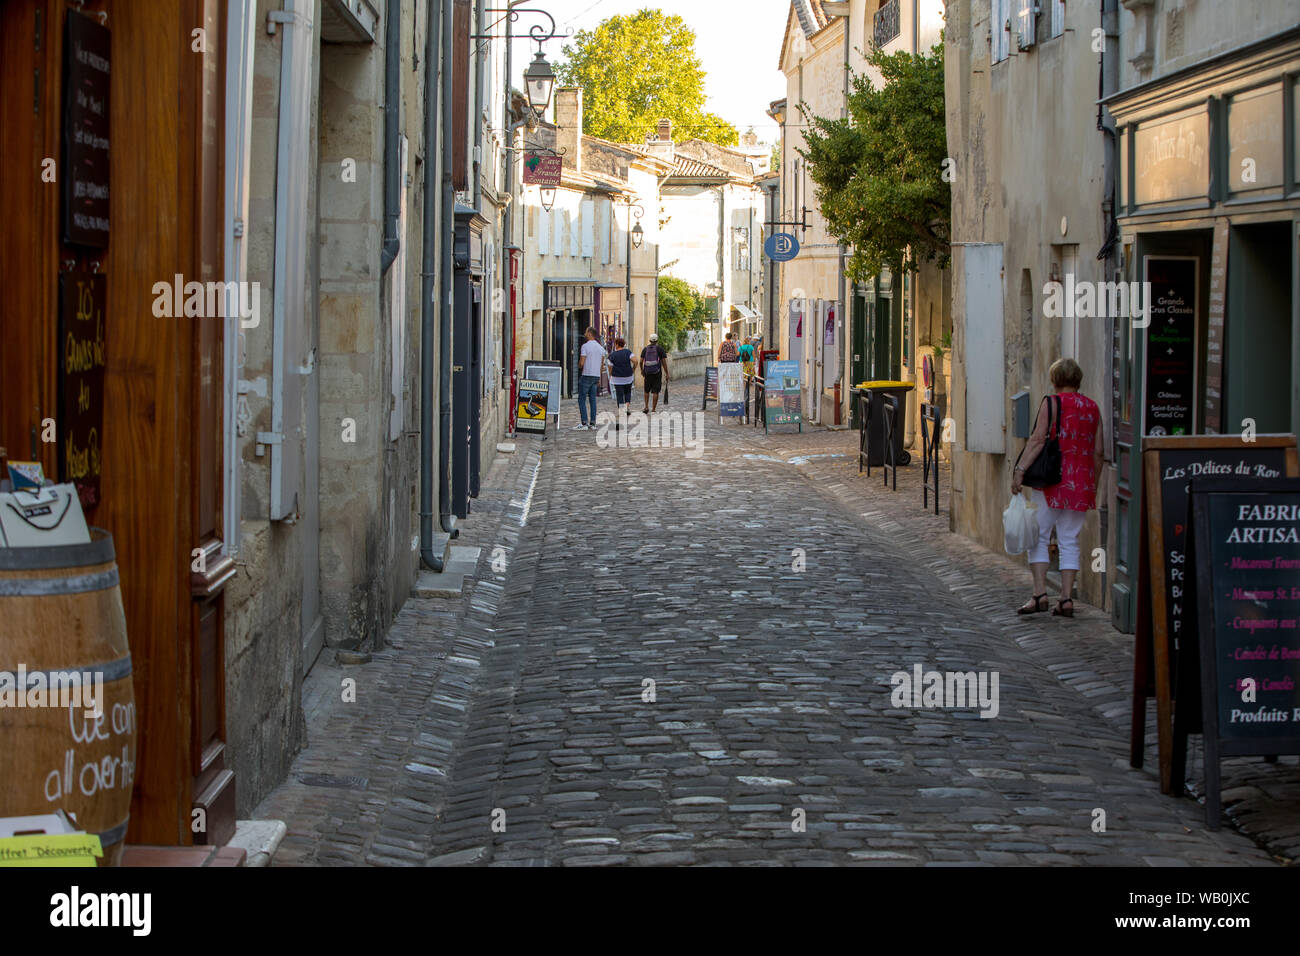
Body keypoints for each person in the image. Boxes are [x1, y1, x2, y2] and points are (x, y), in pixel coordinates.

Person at [1012, 358, 1103, 618]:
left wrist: (1020, 471)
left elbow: (1039, 439)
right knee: (1069, 539)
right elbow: (1099, 452)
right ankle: (1066, 598)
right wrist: (1092, 484)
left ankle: (1040, 594)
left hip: (1052, 481)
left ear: (1054, 380)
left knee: (1039, 535)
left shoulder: (1052, 403)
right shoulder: (1092, 408)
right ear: (1078, 380)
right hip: (1081, 483)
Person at [575, 326, 606, 431]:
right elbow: (602, 365)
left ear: (589, 333)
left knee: (582, 399)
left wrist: (579, 365)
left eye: (585, 332)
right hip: (596, 376)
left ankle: (584, 422)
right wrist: (599, 378)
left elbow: (582, 362)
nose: (584, 334)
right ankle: (593, 423)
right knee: (592, 399)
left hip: (587, 374)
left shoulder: (585, 346)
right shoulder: (601, 348)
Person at [607, 336, 636, 428]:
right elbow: (636, 361)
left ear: (616, 344)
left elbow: (610, 367)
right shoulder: (628, 352)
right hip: (628, 376)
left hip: (617, 378)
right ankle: (626, 407)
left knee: (620, 396)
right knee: (628, 392)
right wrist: (633, 369)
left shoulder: (612, 355)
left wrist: (611, 374)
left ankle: (622, 411)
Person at [640, 333, 670, 414]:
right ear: (657, 340)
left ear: (649, 340)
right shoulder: (660, 349)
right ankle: (653, 409)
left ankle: (646, 406)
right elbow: (664, 362)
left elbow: (641, 361)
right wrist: (667, 373)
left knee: (646, 390)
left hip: (647, 372)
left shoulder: (645, 349)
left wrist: (642, 370)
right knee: (655, 391)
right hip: (657, 373)